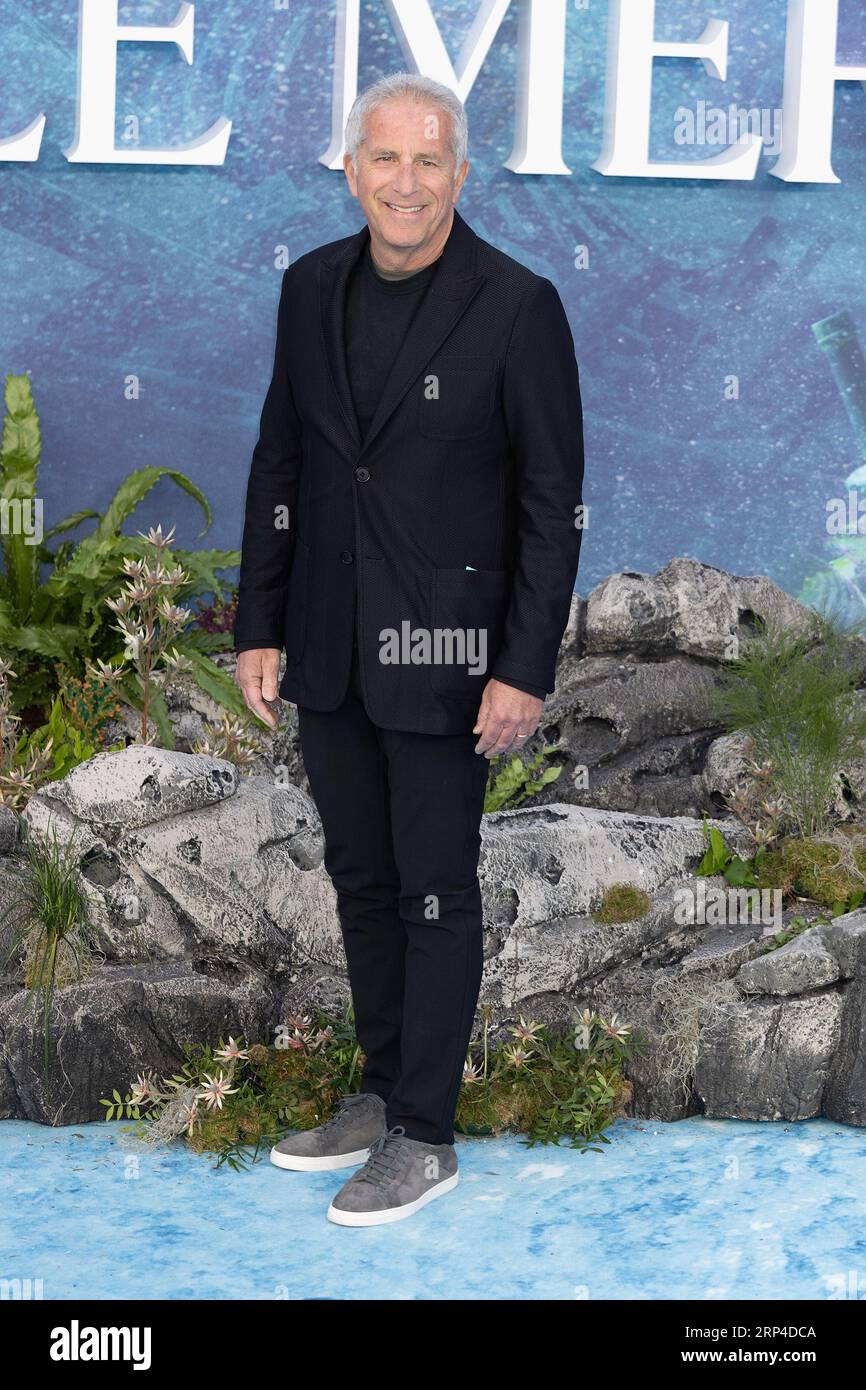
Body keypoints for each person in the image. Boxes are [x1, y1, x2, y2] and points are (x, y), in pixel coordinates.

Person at [235, 72, 584, 1226]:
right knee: (363, 877)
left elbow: (549, 499)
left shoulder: (516, 305)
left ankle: (424, 1137)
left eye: (428, 161)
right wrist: (261, 623)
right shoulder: (307, 289)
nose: (405, 181)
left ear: (459, 177)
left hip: (449, 659)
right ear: (350, 171)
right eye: (383, 159)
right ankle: (382, 1088)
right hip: (331, 649)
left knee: (436, 891)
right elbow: (279, 461)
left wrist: (521, 665)